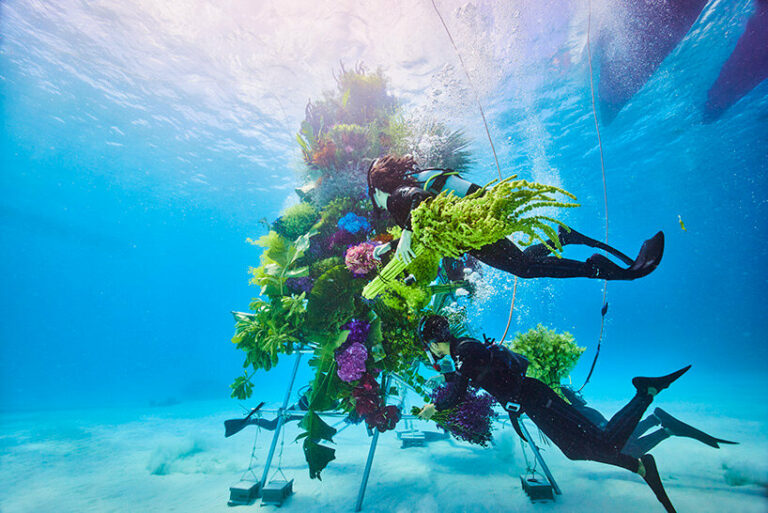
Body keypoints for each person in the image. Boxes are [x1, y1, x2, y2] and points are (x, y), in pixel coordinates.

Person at [416, 314, 688, 513]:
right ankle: (640, 466)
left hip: (538, 399)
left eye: (427, 346)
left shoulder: (465, 351)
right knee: (575, 450)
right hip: (533, 402)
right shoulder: (463, 351)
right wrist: (445, 371)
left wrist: (434, 408)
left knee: (603, 441)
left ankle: (645, 393)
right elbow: (463, 382)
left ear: (431, 342)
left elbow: (458, 394)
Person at [368, 155, 664, 280]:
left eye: (374, 198)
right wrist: (394, 247)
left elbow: (418, 203)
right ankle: (561, 238)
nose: (379, 205)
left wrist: (405, 233)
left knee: (524, 268)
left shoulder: (396, 197)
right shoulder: (414, 179)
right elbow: (425, 219)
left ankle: (602, 270)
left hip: (473, 230)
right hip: (480, 219)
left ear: (377, 188)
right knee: (523, 262)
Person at [561, 387, 738, 458]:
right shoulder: (573, 404)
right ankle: (654, 420)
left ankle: (665, 430)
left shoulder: (561, 407)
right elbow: (576, 401)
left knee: (626, 450)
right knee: (618, 435)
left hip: (591, 426)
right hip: (594, 420)